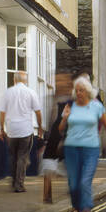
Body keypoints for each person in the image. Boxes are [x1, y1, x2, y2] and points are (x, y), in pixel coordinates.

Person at [59, 75, 106, 212]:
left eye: (82, 90)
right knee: (73, 185)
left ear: (88, 91)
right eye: (77, 90)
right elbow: (60, 129)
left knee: (84, 183)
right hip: (71, 149)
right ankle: (78, 207)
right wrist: (65, 118)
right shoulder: (70, 106)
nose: (79, 93)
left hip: (91, 149)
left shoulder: (96, 107)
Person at [0, 70, 42, 192]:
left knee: (13, 157)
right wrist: (40, 128)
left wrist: (2, 129)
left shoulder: (7, 93)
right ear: (25, 80)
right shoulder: (31, 92)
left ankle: (14, 182)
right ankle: (19, 184)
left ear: (14, 80)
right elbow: (38, 112)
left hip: (11, 130)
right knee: (22, 157)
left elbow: (2, 113)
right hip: (25, 130)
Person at [40, 70, 74, 203]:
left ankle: (73, 194)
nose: (58, 83)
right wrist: (45, 140)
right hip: (53, 139)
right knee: (47, 166)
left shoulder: (72, 101)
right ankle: (47, 197)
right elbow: (49, 121)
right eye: (56, 81)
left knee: (71, 170)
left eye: (61, 80)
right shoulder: (50, 99)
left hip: (68, 139)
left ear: (68, 82)